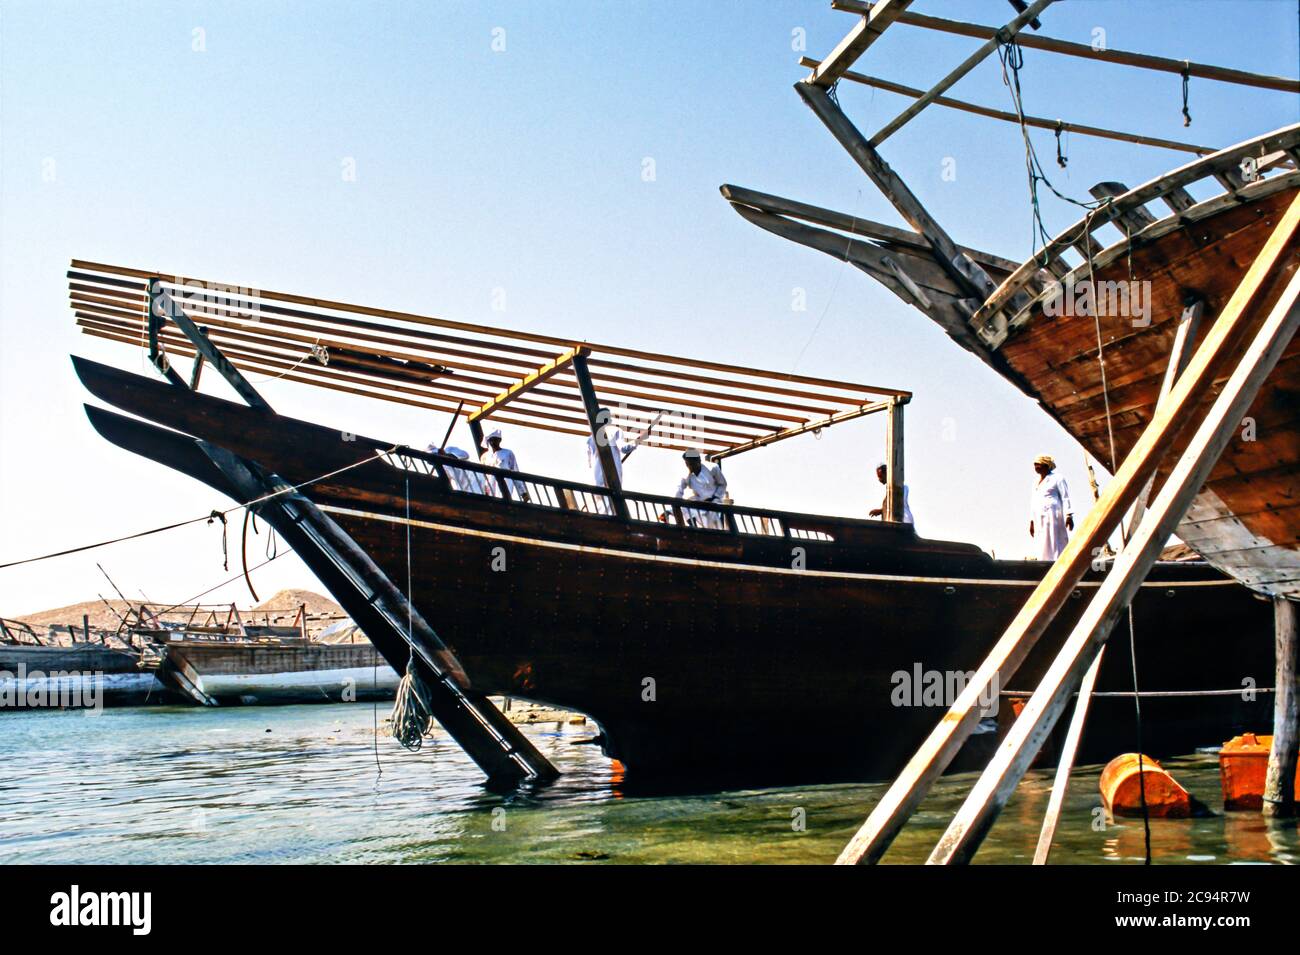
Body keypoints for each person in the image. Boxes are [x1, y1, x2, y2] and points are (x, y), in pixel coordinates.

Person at [587, 408, 634, 515]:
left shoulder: (590, 438)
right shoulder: (615, 431)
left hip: (596, 480)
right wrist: (637, 441)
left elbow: (589, 463)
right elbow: (624, 448)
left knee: (599, 510)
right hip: (612, 479)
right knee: (611, 511)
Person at [1029, 454, 1073, 560]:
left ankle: (1057, 560)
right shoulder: (1035, 482)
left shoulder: (1057, 478)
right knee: (1042, 539)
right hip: (1039, 516)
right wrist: (1031, 521)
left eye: (1038, 464)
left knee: (1054, 538)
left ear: (1045, 465)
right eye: (1035, 465)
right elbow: (1034, 501)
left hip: (1053, 514)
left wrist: (1069, 515)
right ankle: (1043, 561)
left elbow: (1065, 497)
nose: (1036, 467)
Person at [675, 449, 728, 527]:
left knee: (714, 528)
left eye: (692, 464)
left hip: (713, 504)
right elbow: (678, 493)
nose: (690, 466)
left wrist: (716, 498)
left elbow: (722, 484)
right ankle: (693, 527)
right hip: (698, 504)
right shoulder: (685, 476)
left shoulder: (713, 468)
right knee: (685, 506)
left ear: (699, 461)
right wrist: (673, 506)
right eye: (688, 464)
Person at [480, 429, 529, 502]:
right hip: (489, 488)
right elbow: (481, 476)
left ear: (499, 440)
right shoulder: (484, 457)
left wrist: (523, 492)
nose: (493, 442)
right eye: (491, 440)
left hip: (505, 486)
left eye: (495, 440)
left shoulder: (508, 453)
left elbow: (515, 472)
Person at [868, 462, 915, 528]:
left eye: (880, 476)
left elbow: (896, 504)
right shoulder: (890, 491)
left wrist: (880, 511)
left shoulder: (901, 488)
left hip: (903, 523)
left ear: (887, 474)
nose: (879, 479)